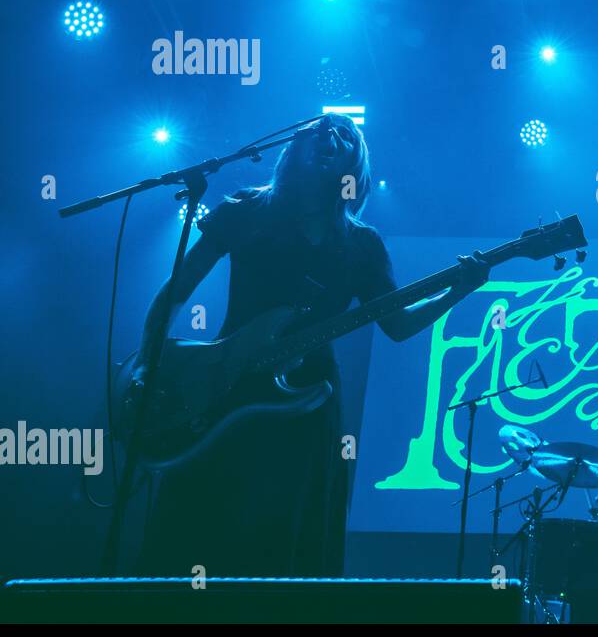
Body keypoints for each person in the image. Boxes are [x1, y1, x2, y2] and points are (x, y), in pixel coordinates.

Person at [133, 113, 488, 576]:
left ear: (353, 167)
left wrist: (459, 290)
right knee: (208, 515)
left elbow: (397, 326)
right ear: (295, 147)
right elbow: (175, 291)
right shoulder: (244, 212)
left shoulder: (361, 244)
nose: (332, 135)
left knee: (288, 529)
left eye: (346, 134)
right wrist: (148, 361)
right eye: (322, 128)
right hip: (227, 383)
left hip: (306, 399)